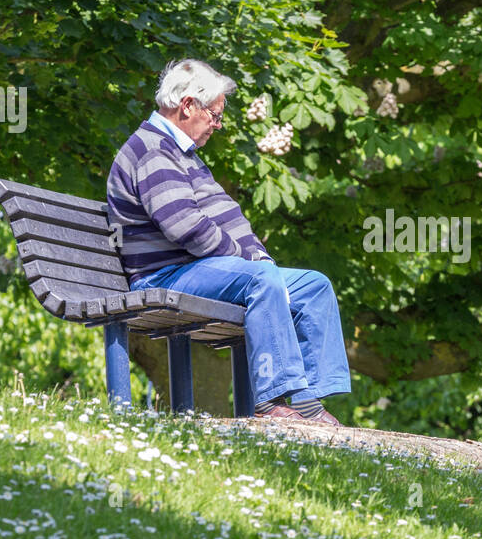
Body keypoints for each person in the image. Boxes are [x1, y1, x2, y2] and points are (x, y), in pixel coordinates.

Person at [106, 58, 350, 424]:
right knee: (259, 280)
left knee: (313, 286)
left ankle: (306, 400)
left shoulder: (185, 156)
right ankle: (271, 403)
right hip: (165, 275)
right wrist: (250, 265)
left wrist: (259, 257)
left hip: (203, 268)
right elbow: (185, 226)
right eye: (215, 116)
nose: (217, 126)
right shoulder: (153, 150)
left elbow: (227, 218)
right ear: (188, 105)